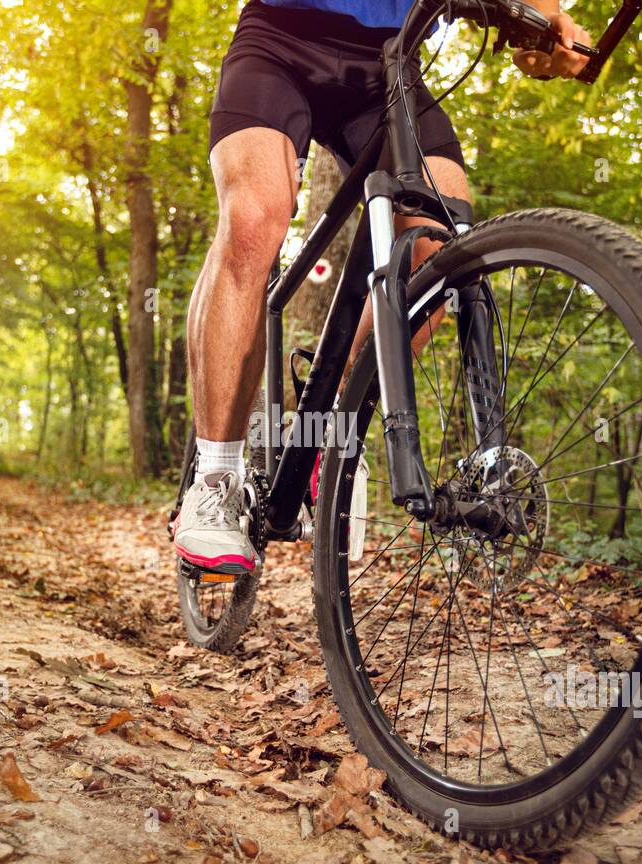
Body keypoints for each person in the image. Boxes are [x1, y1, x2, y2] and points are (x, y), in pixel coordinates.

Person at [173, 0, 590, 573]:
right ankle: (216, 477)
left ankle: (330, 431)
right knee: (253, 218)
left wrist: (548, 24)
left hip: (392, 61)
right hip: (278, 41)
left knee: (437, 248)